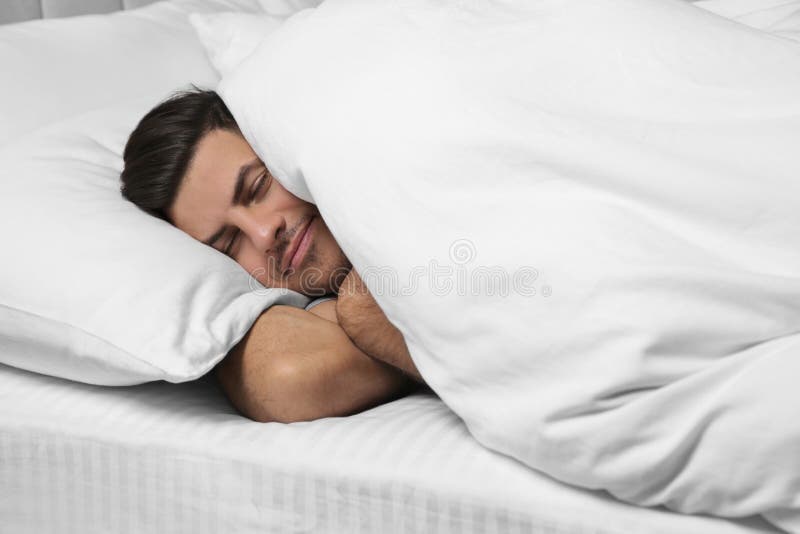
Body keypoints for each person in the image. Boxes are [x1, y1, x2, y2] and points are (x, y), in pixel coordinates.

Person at [120, 88, 423, 423]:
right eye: (229, 244)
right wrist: (362, 310)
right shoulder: (321, 310)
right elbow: (284, 378)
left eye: (259, 187)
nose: (263, 234)